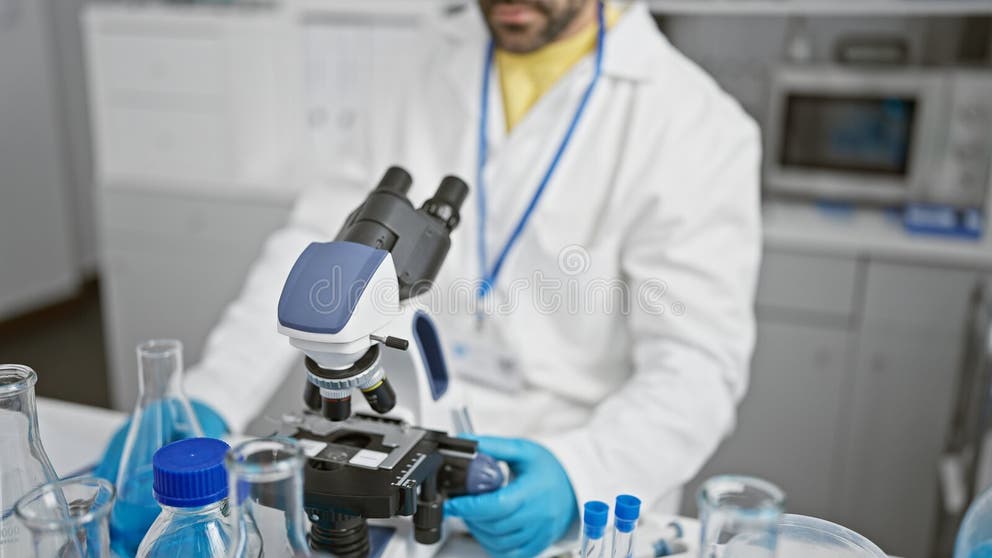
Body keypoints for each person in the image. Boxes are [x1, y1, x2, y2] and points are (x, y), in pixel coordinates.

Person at [97, 1, 761, 556]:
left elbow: (697, 366)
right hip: (403, 438)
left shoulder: (697, 126)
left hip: (563, 466)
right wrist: (211, 397)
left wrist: (581, 471)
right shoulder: (417, 64)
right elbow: (315, 247)